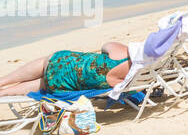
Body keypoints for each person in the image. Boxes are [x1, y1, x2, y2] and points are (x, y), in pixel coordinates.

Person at [0, 42, 130, 96]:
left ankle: (3, 81)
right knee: (48, 80)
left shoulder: (122, 53)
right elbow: (114, 84)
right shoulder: (134, 74)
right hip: (66, 84)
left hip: (63, 65)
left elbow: (106, 45)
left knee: (50, 61)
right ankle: (3, 93)